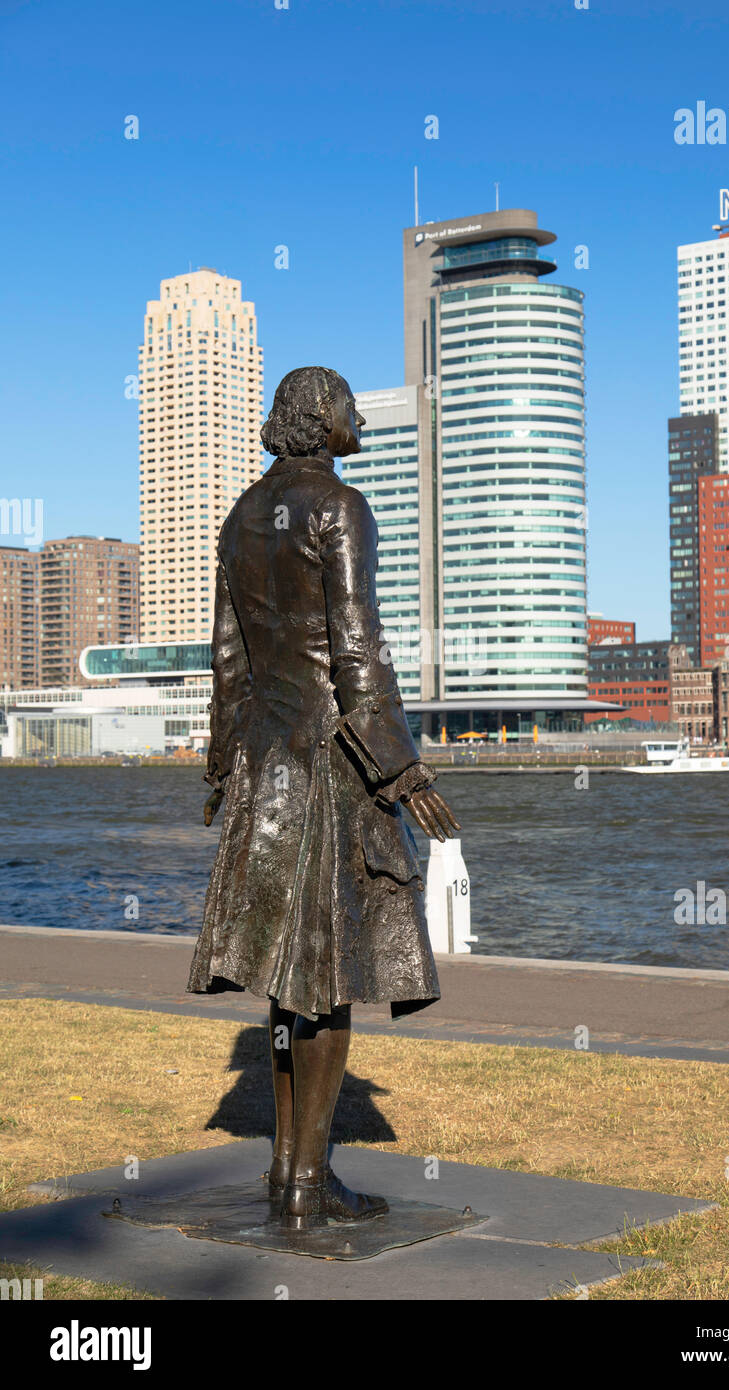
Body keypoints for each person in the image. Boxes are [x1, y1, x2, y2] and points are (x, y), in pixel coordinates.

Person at [187, 366, 459, 1229]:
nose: (359, 426)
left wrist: (224, 763)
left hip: (266, 769)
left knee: (281, 976)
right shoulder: (341, 511)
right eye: (350, 410)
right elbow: (357, 654)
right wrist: (403, 770)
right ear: (319, 418)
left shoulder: (239, 517)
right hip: (327, 768)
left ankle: (285, 1176)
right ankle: (309, 1186)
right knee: (329, 979)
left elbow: (229, 663)